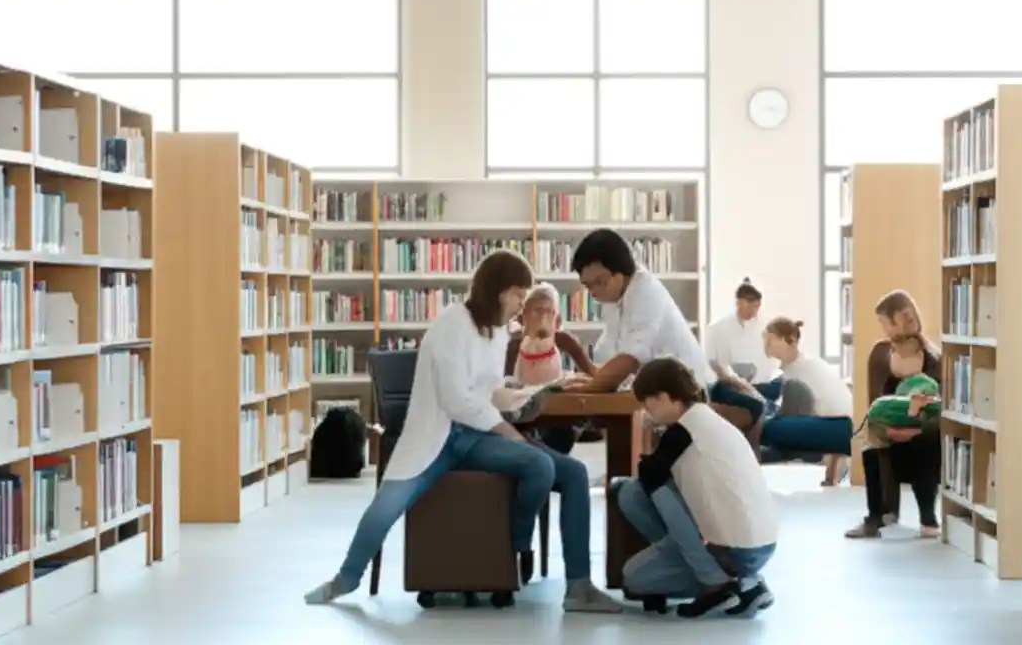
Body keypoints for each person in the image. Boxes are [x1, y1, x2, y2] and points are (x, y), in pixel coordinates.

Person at [304, 250, 617, 612]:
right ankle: (345, 579)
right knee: (386, 505)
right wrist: (508, 431)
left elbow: (487, 391)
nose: (521, 306)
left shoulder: (498, 332)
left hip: (477, 435)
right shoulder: (452, 324)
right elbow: (456, 400)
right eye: (519, 295)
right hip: (440, 437)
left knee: (572, 472)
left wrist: (526, 393)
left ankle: (576, 584)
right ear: (501, 291)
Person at [612, 358, 777, 618]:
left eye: (648, 401)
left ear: (664, 396)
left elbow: (650, 475)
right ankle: (746, 583)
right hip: (760, 547)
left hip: (733, 550)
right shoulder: (711, 420)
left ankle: (715, 583)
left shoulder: (683, 432)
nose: (646, 409)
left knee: (636, 577)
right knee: (634, 490)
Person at [563, 229, 759, 432]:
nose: (594, 292)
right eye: (588, 286)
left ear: (621, 272)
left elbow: (629, 359)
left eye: (600, 282)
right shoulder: (615, 300)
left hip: (691, 393)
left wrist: (589, 388)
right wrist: (580, 361)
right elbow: (611, 363)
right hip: (663, 391)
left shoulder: (644, 292)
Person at [845, 289, 943, 540]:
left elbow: (937, 409)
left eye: (885, 322)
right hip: (888, 432)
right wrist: (890, 430)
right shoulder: (880, 355)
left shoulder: (934, 358)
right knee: (871, 446)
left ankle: (928, 518)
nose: (883, 329)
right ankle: (877, 516)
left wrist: (911, 429)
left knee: (928, 444)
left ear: (902, 319)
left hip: (921, 433)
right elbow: (875, 404)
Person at [756, 317, 854, 486]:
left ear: (791, 341)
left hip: (837, 429)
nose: (766, 344)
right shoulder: (804, 364)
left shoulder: (799, 369)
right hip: (843, 429)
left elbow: (776, 398)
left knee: (765, 429)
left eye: (771, 339)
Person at [503, 282, 596, 456]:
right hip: (525, 412)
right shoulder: (514, 344)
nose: (543, 318)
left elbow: (590, 370)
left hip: (557, 412)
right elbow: (506, 383)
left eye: (549, 312)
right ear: (523, 317)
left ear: (557, 319)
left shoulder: (563, 340)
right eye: (538, 311)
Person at [704, 278, 783, 416]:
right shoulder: (717, 328)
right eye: (751, 305)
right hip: (730, 385)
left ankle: (763, 404)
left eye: (757, 305)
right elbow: (714, 363)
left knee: (783, 384)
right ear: (740, 303)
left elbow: (775, 361)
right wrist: (733, 379)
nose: (755, 310)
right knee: (728, 392)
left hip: (761, 385)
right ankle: (764, 406)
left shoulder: (767, 328)